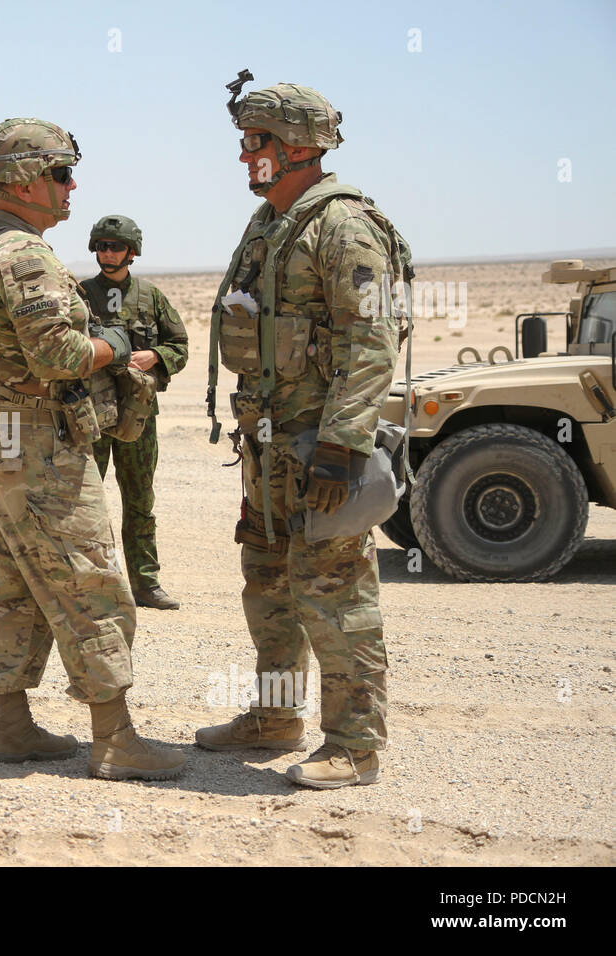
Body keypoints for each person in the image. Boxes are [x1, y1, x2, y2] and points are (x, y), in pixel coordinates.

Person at [0, 117, 187, 781]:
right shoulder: (22, 254)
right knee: (90, 581)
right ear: (23, 179)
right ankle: (115, 739)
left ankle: (12, 727)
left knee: (15, 582)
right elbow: (58, 355)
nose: (71, 186)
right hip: (36, 444)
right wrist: (114, 344)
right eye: (60, 173)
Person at [197, 76, 408, 788]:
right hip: (268, 449)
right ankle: (275, 718)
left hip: (322, 453)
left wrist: (344, 447)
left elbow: (371, 343)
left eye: (253, 142)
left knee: (335, 595)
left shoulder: (343, 226)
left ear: (295, 147)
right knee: (270, 590)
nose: (243, 157)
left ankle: (354, 745)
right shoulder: (269, 223)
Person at [80, 215, 188, 610]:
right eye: (102, 246)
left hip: (137, 413)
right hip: (91, 413)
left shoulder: (150, 297)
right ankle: (90, 583)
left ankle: (146, 583)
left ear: (131, 251)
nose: (108, 253)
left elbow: (180, 346)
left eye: (116, 246)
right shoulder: (80, 294)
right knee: (85, 504)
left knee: (140, 500)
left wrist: (155, 355)